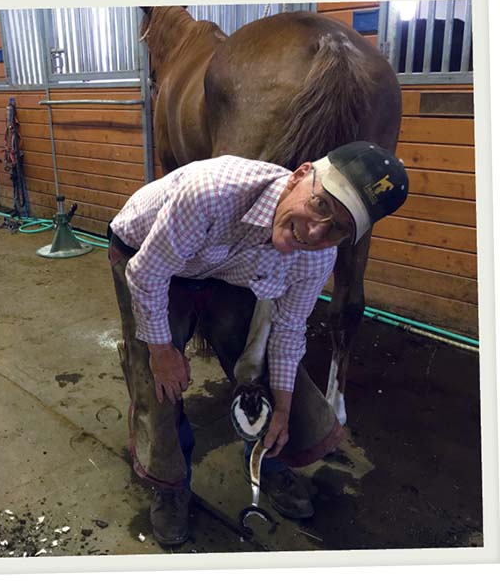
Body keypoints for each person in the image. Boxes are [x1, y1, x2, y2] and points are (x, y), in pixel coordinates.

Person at [108, 141, 409, 546]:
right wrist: (162, 351)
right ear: (300, 176)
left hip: (226, 268)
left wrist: (282, 408)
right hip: (147, 255)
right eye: (321, 205)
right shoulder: (209, 192)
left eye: (338, 228)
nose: (316, 231)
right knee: (159, 379)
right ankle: (170, 484)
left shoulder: (316, 254)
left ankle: (266, 459)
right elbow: (146, 275)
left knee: (261, 356)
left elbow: (287, 332)